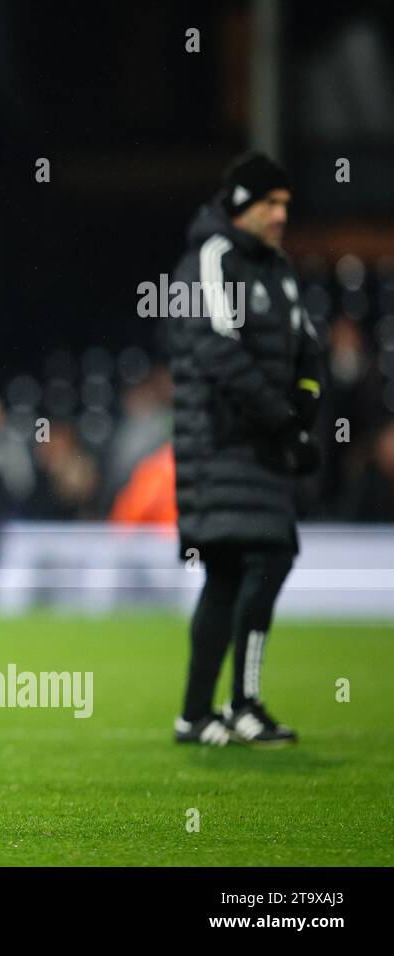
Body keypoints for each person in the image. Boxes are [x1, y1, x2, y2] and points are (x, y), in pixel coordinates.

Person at [168, 152, 324, 747]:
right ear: (240, 205)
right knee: (267, 557)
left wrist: (305, 414)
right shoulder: (209, 260)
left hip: (260, 447)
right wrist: (287, 424)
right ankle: (243, 704)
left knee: (230, 575)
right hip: (218, 448)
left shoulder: (278, 270)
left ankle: (196, 714)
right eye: (271, 203)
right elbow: (217, 352)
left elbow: (307, 351)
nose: (283, 213)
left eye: (286, 202)